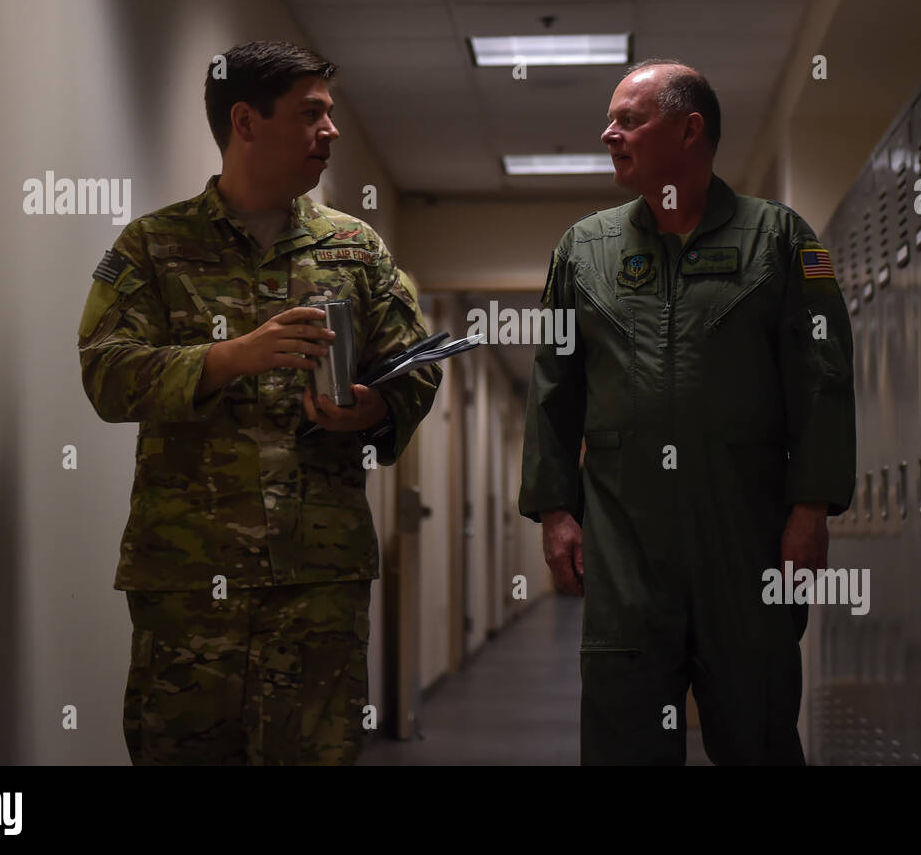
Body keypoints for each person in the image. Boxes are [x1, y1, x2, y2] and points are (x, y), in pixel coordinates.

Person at [77, 40, 441, 765]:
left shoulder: (355, 250)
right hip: (186, 582)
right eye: (311, 115)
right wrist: (229, 356)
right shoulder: (154, 245)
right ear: (245, 121)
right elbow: (106, 374)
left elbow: (416, 369)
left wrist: (370, 407)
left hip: (319, 579)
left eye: (330, 115)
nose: (330, 132)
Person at [519, 59, 856, 765]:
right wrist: (555, 511)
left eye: (629, 120)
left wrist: (812, 507)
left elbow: (822, 378)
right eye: (612, 121)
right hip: (624, 544)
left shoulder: (783, 239)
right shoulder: (584, 250)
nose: (608, 133)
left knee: (758, 734)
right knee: (622, 740)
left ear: (690, 129)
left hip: (746, 537)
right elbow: (553, 387)